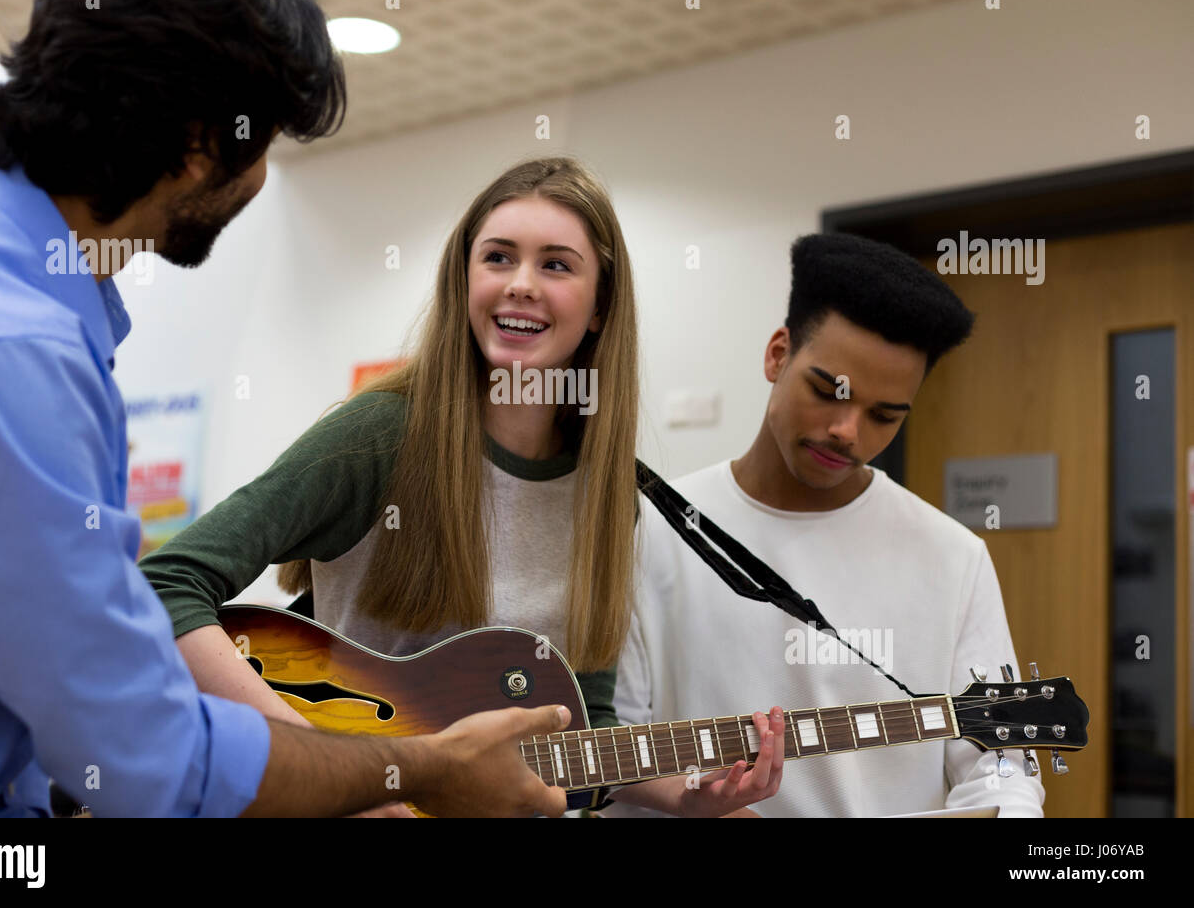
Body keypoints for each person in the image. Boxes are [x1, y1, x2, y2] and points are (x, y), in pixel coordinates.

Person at [0, 0, 569, 819]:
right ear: (197, 147)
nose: (258, 182)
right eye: (264, 142)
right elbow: (152, 757)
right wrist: (421, 769)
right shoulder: (7, 352)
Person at [139, 155, 786, 817]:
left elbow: (578, 724)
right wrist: (336, 775)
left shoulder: (606, 495)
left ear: (599, 309)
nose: (521, 285)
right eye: (498, 258)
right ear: (464, 281)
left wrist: (687, 796)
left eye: (557, 265)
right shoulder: (379, 436)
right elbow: (163, 585)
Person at [606, 233, 1045, 817]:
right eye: (827, 391)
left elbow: (1003, 768)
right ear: (777, 353)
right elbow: (608, 754)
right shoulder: (649, 533)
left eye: (884, 416)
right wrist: (690, 798)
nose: (848, 430)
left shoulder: (951, 557)